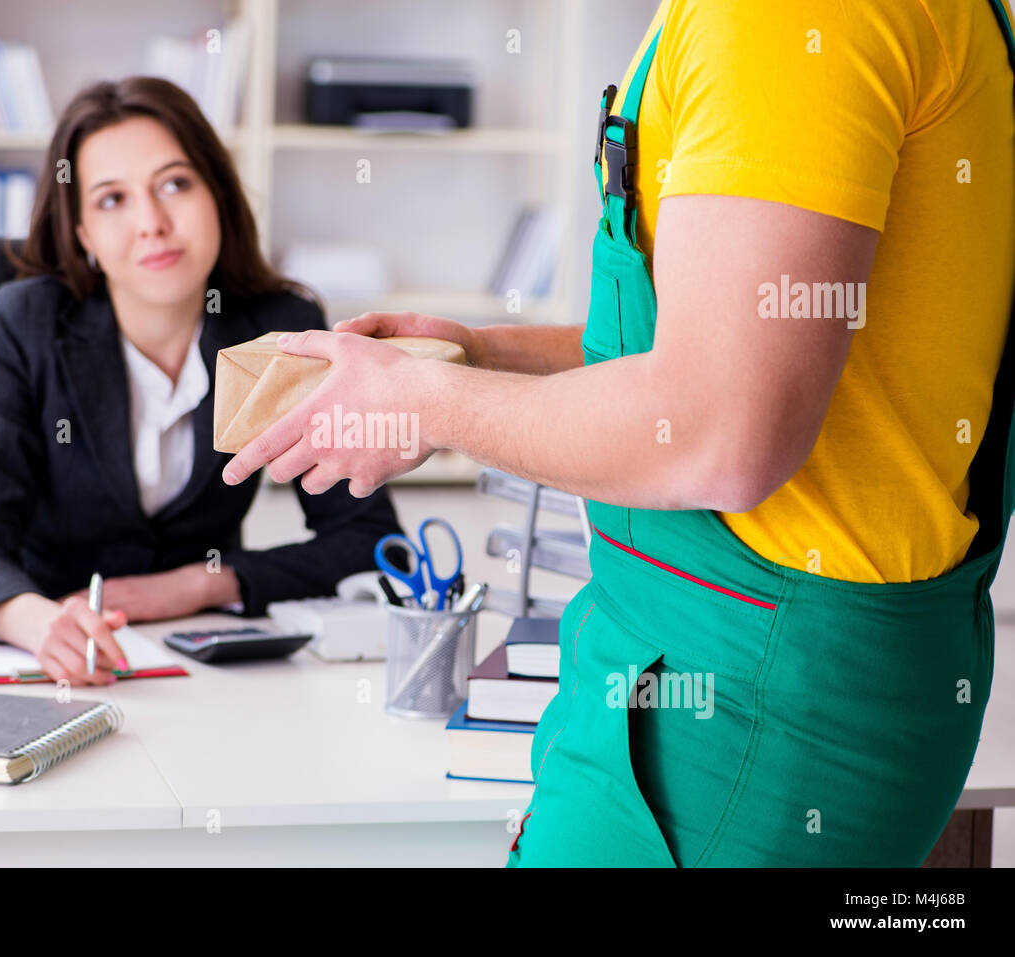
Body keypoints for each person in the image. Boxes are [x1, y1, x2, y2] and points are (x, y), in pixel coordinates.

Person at [222, 0, 1015, 865]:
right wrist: (480, 354)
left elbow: (720, 430)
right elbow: (721, 343)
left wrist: (425, 402)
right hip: (723, 680)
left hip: (741, 717)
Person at [0, 77, 403, 686]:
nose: (151, 222)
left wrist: (197, 584)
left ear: (217, 196)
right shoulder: (28, 323)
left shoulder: (283, 329)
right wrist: (33, 622)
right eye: (111, 200)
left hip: (208, 668)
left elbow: (371, 539)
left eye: (175, 184)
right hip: (48, 665)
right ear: (82, 235)